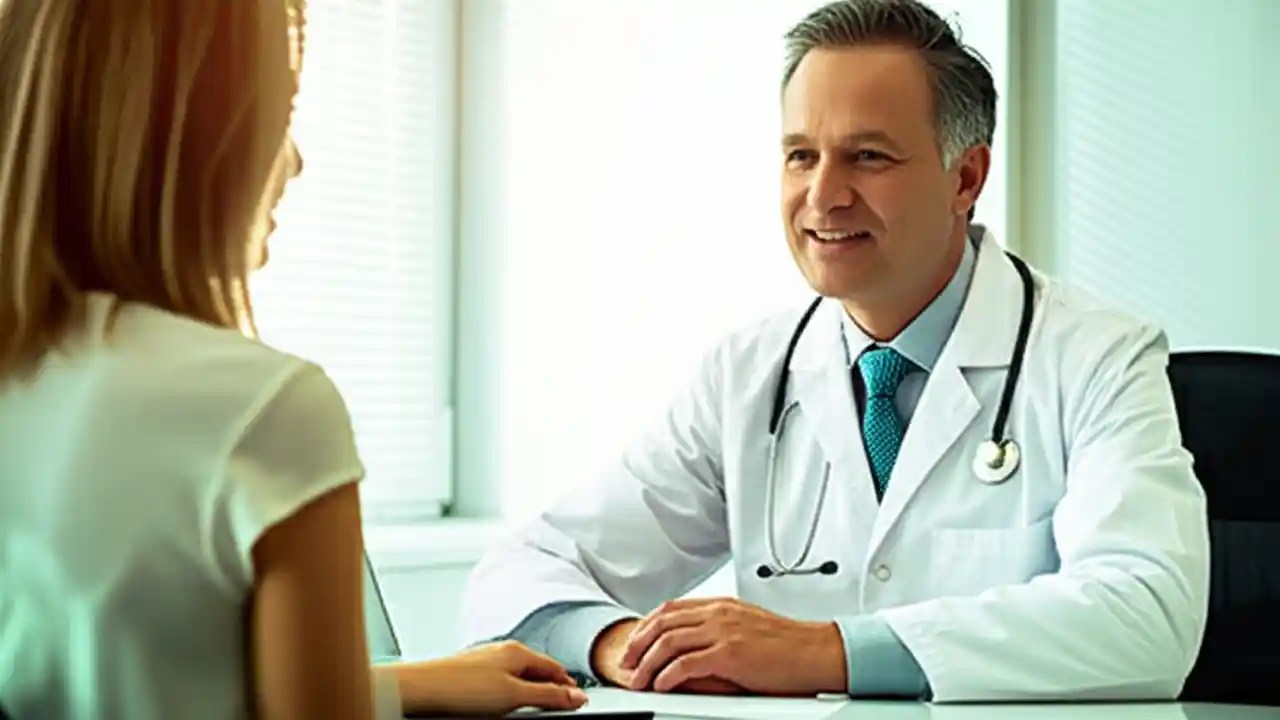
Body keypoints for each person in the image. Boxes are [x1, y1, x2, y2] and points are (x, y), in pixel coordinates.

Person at [463, 0, 1210, 703]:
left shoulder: (1097, 356)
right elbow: (517, 573)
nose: (823, 196)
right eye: (800, 155)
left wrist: (824, 652)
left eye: (868, 157)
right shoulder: (748, 376)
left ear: (967, 177)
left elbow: (1148, 616)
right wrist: (626, 646)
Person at [0, 1, 586, 718]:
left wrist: (404, 684)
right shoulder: (262, 410)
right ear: (200, 133)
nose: (296, 160)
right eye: (283, 111)